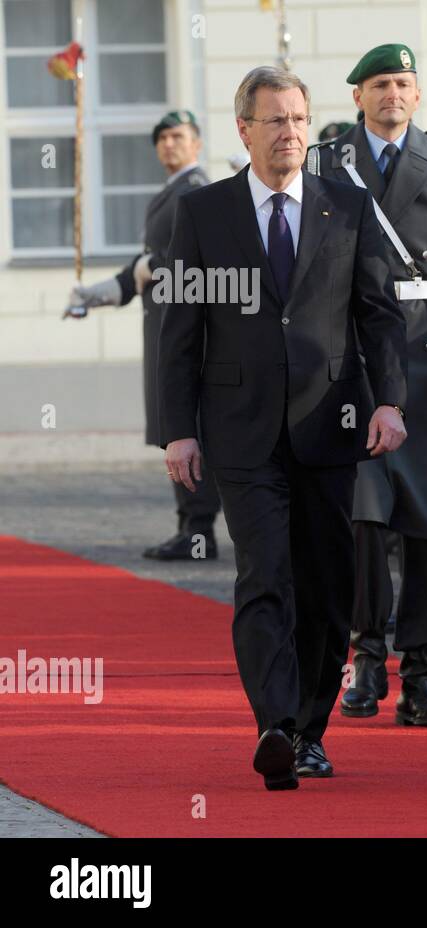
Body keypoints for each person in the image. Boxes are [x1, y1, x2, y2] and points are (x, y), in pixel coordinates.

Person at [157, 66, 408, 790]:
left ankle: (308, 728)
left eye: (300, 120)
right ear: (245, 130)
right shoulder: (204, 213)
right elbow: (180, 330)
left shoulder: (346, 206)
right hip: (240, 430)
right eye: (276, 121)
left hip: (333, 424)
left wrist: (389, 401)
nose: (292, 133)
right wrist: (179, 429)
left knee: (328, 584)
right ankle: (273, 723)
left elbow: (379, 314)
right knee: (263, 574)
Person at [306, 44, 427, 728]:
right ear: (357, 95)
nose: (393, 93)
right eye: (380, 83)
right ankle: (365, 659)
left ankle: (421, 672)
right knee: (363, 517)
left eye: (404, 83)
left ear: (418, 95)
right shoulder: (326, 163)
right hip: (355, 357)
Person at [63, 110, 222, 561]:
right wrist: (95, 295)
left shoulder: (197, 191)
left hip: (187, 328)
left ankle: (198, 532)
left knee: (186, 430)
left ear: (197, 143)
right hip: (163, 324)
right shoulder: (172, 193)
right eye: (163, 138)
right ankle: (188, 527)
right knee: (171, 427)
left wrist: (148, 269)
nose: (169, 144)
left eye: (178, 136)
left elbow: (191, 261)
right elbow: (144, 262)